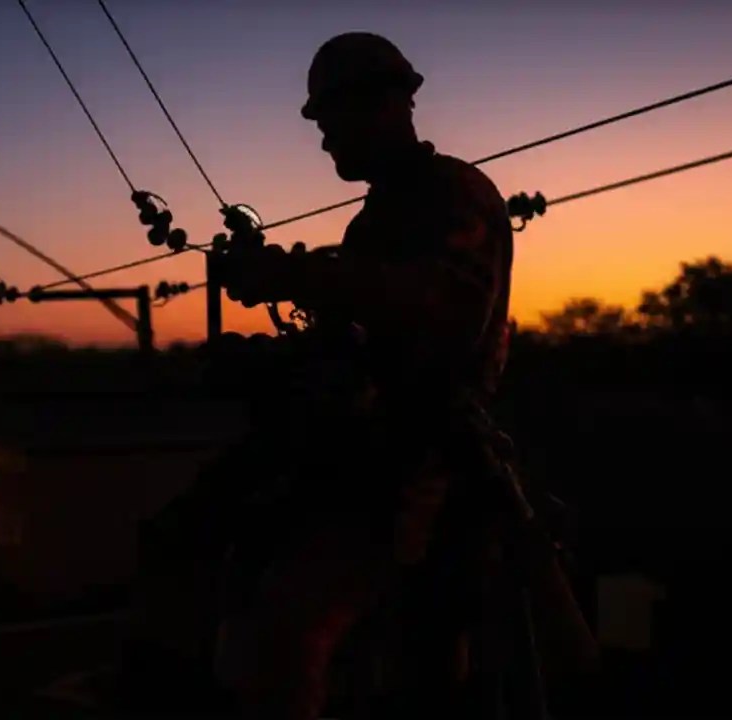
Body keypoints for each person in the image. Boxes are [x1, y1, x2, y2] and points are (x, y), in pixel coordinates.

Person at [121, 32, 596, 720]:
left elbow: (440, 310)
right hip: (364, 443)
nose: (323, 143)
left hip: (422, 450)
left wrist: (293, 275)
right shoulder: (377, 220)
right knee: (202, 551)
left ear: (384, 106)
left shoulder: (454, 193)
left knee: (292, 628)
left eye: (329, 121)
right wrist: (272, 359)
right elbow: (361, 337)